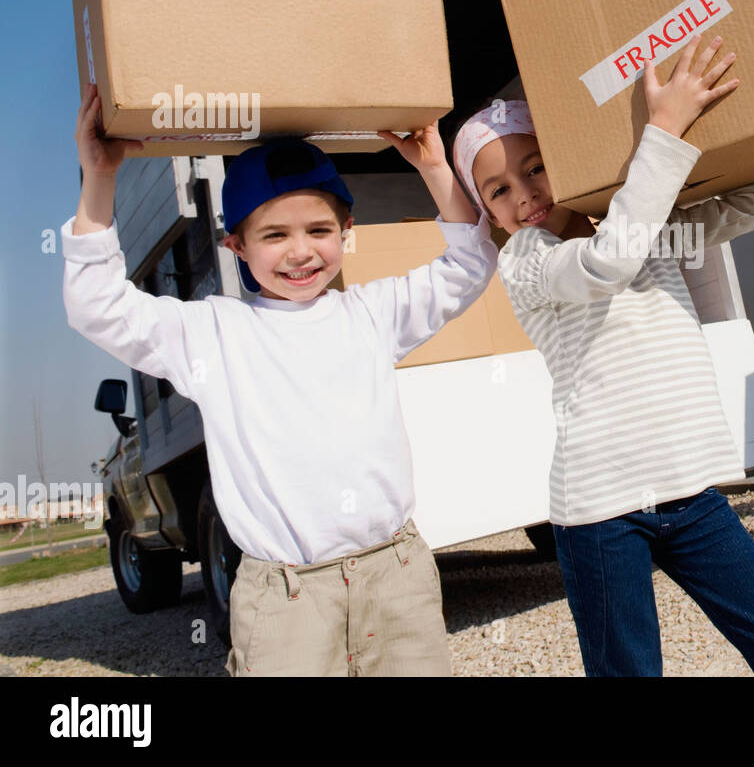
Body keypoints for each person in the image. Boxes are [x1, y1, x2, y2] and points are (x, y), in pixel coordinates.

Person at [63, 83, 498, 675]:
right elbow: (97, 305)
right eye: (274, 235)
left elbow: (470, 263)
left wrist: (432, 165)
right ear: (235, 244)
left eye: (319, 230)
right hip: (286, 597)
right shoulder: (213, 335)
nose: (301, 252)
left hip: (396, 576)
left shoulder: (371, 314)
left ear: (347, 230)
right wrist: (100, 179)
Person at [458, 36, 754, 677]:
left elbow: (749, 205)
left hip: (689, 494)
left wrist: (733, 131)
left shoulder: (636, 221)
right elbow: (608, 264)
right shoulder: (528, 262)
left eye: (537, 166)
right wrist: (662, 129)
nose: (522, 194)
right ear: (487, 211)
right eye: (497, 191)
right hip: (599, 512)